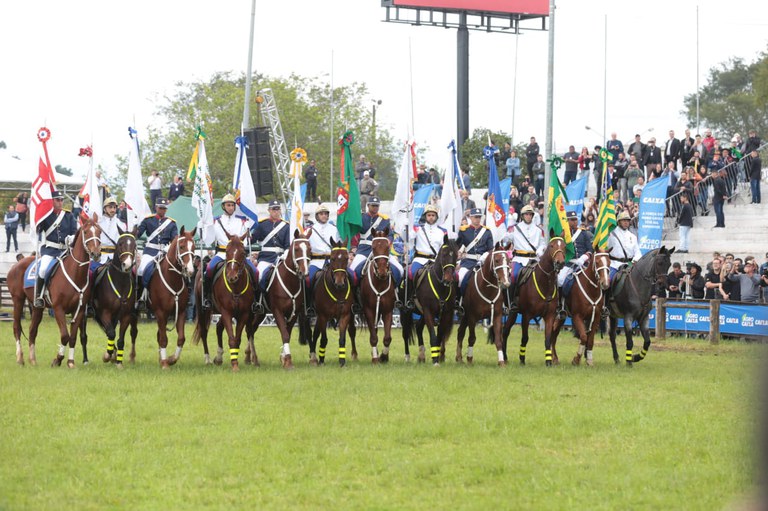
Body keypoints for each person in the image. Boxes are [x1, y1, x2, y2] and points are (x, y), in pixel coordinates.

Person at [201, 194, 254, 310]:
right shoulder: (216, 221)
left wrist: (249, 231)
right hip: (221, 253)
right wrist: (204, 227)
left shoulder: (243, 221)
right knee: (209, 269)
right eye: (228, 205)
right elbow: (208, 238)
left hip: (238, 255)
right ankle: (207, 297)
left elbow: (247, 239)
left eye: (232, 205)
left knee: (255, 272)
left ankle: (255, 300)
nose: (230, 207)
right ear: (223, 207)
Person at [34, 190, 78, 307]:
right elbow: (38, 228)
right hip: (50, 250)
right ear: (51, 201)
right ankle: (40, 295)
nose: (60, 202)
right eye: (57, 200)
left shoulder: (69, 215)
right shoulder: (46, 216)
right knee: (43, 269)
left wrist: (71, 238)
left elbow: (74, 231)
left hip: (65, 251)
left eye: (61, 200)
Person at [349, 196, 402, 287]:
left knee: (400, 269)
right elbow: (354, 232)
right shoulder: (360, 218)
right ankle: (355, 295)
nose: (375, 207)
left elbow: (390, 234)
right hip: (364, 250)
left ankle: (395, 291)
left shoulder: (384, 220)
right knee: (352, 270)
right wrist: (353, 247)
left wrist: (388, 241)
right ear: (368, 206)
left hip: (381, 251)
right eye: (373, 205)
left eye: (377, 206)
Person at [136, 197, 178, 308]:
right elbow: (137, 234)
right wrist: (135, 225)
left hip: (164, 252)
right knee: (141, 270)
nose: (163, 210)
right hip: (150, 252)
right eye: (161, 208)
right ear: (156, 207)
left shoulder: (171, 223)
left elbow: (174, 240)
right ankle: (140, 296)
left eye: (164, 208)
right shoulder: (148, 220)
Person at [404, 204, 447, 307]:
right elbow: (409, 240)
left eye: (433, 215)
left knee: (448, 276)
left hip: (435, 260)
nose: (431, 217)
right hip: (420, 258)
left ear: (436, 217)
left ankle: (446, 299)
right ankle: (411, 297)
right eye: (429, 215)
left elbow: (443, 248)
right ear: (425, 216)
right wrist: (408, 228)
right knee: (411, 273)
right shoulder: (418, 228)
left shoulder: (442, 231)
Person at [556, 210, 594, 317]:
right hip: (568, 264)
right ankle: (561, 305)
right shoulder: (563, 234)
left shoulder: (583, 233)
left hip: (582, 264)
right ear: (567, 221)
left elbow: (590, 249)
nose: (574, 222)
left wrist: (584, 257)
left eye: (575, 219)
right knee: (559, 280)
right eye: (571, 220)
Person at [250, 200, 290, 300]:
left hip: (280, 258)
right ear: (269, 210)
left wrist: (285, 254)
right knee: (258, 276)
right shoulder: (261, 224)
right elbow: (251, 240)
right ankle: (258, 300)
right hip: (265, 258)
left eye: (278, 209)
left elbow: (287, 245)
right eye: (273, 209)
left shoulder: (286, 226)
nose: (276, 212)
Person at [456, 208, 494, 295]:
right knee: (460, 279)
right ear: (470, 218)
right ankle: (459, 300)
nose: (477, 219)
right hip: (467, 262)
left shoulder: (487, 231)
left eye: (479, 217)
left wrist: (484, 257)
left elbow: (490, 249)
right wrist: (459, 252)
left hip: (483, 262)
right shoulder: (463, 231)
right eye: (475, 217)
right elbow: (459, 245)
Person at [306, 203, 340, 283]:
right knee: (308, 280)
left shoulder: (335, 229)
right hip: (316, 262)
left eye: (325, 214)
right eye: (321, 214)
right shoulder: (310, 230)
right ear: (317, 216)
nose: (324, 216)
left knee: (351, 276)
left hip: (332, 262)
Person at [97, 197, 127, 266]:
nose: (113, 210)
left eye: (114, 207)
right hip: (99, 257)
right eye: (110, 207)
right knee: (90, 274)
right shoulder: (98, 222)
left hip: (115, 258)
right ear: (104, 209)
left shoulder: (121, 224)